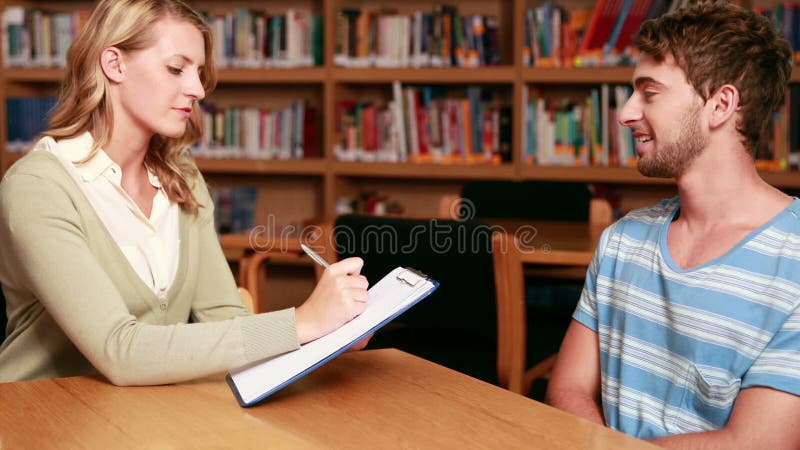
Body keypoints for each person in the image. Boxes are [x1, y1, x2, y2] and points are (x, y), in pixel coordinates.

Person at [0, 0, 369, 385]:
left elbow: (225, 320)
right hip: (41, 414)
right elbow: (119, 351)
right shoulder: (39, 187)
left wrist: (328, 332)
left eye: (199, 72)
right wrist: (302, 322)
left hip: (144, 412)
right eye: (176, 68)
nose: (196, 89)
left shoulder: (181, 178)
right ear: (115, 65)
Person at [546, 3, 800, 448]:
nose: (625, 113)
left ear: (720, 105)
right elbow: (567, 389)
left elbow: (755, 443)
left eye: (649, 93)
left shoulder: (794, 261)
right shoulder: (621, 241)